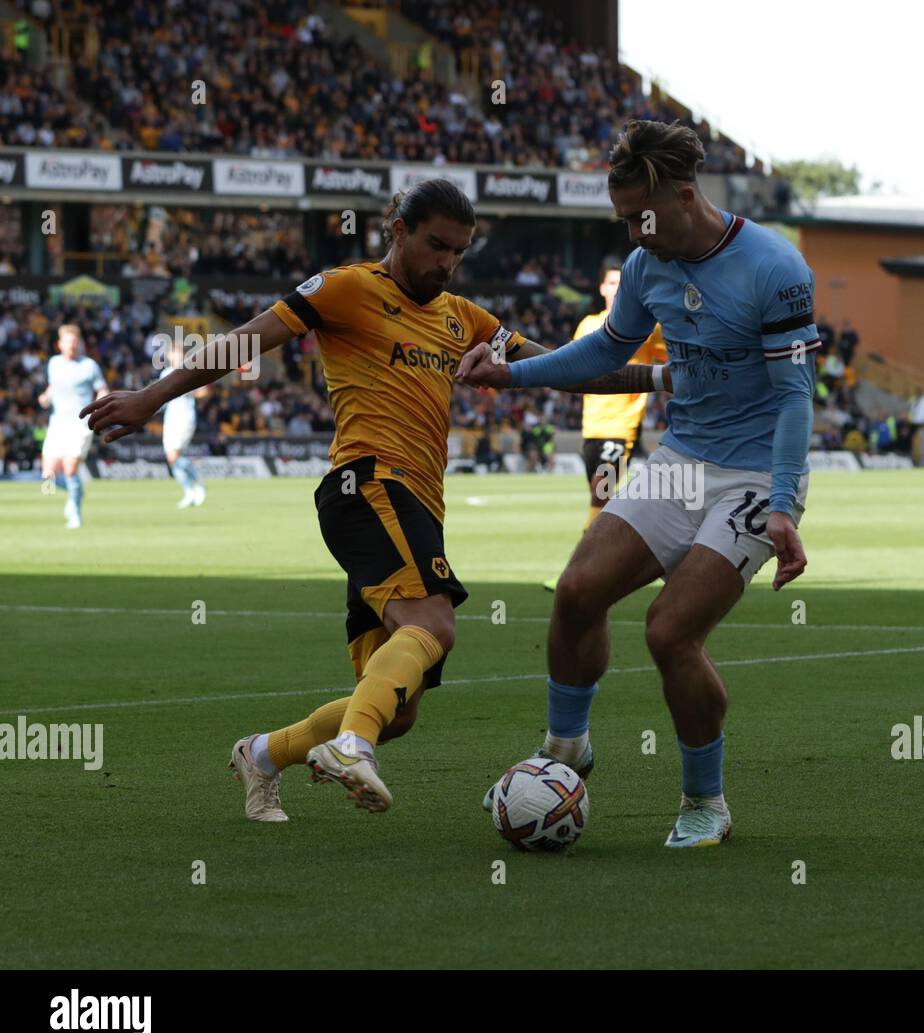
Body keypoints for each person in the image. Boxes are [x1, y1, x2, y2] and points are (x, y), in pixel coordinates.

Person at [82, 179, 661, 822]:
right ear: (398, 230)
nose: (446, 263)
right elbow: (245, 341)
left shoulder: (465, 319)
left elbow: (571, 368)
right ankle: (351, 747)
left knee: (397, 707)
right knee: (433, 627)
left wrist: (667, 375)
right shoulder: (346, 288)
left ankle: (264, 755)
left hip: (414, 507)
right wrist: (150, 397)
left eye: (459, 252)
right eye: (436, 245)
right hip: (369, 484)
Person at [458, 120, 817, 848]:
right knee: (576, 591)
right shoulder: (648, 263)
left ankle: (704, 801)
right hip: (683, 459)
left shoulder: (775, 267)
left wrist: (781, 505)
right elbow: (604, 350)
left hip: (752, 474)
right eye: (624, 218)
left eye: (642, 216)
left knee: (670, 631)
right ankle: (566, 750)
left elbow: (795, 397)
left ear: (686, 194)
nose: (634, 232)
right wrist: (512, 372)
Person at [543, 261, 668, 592]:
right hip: (592, 427)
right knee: (602, 500)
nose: (616, 288)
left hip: (622, 427)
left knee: (601, 494)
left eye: (621, 283)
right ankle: (647, 559)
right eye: (611, 282)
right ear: (602, 288)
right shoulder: (588, 325)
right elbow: (575, 365)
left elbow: (671, 357)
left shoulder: (647, 328)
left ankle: (577, 573)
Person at [39, 324, 107, 529]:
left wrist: (99, 409)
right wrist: (46, 397)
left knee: (70, 470)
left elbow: (102, 389)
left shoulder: (89, 366)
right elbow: (53, 386)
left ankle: (75, 512)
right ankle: (76, 490)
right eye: (68, 342)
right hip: (58, 423)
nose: (72, 345)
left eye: (75, 342)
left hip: (80, 424)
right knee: (47, 477)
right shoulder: (54, 363)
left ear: (80, 344)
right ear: (60, 344)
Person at [160, 341, 208, 509]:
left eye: (178, 353)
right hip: (170, 417)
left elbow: (204, 391)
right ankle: (189, 491)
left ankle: (197, 483)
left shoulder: (190, 371)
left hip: (185, 416)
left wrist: (191, 390)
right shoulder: (165, 373)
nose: (175, 356)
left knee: (174, 456)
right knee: (171, 458)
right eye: (172, 353)